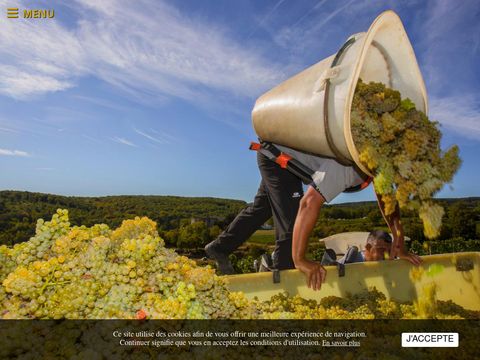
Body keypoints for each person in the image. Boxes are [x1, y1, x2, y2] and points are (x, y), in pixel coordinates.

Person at [205, 142, 422, 289]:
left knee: (261, 210)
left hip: (279, 154)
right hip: (278, 158)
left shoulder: (376, 163)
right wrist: (300, 260)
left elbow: (388, 203)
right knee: (291, 225)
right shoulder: (347, 165)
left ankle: (219, 247)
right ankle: (283, 286)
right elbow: (308, 204)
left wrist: (399, 243)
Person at [321, 230, 393, 265]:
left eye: (389, 250)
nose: (386, 253)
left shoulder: (387, 263)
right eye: (381, 249)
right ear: (368, 247)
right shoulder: (351, 260)